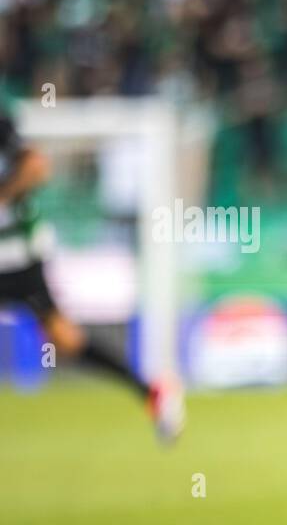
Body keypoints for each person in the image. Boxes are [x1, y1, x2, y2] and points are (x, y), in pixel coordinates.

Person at [0, 113, 184, 443]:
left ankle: (152, 392)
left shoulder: (5, 133)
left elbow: (37, 165)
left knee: (65, 339)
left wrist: (7, 191)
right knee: (63, 338)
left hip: (20, 259)